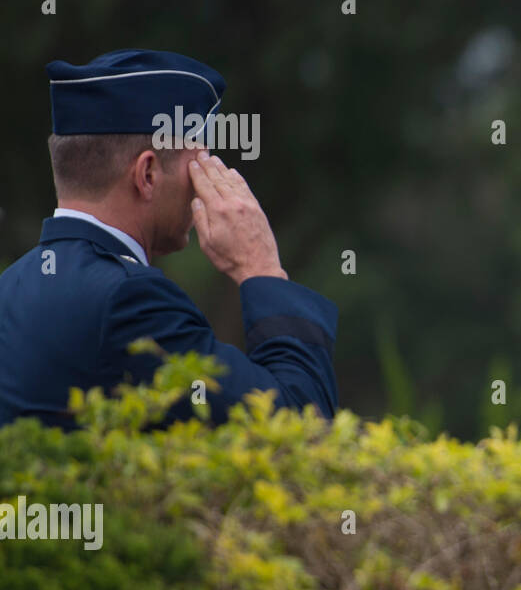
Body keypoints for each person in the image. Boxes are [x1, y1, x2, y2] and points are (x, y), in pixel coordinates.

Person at [0, 49, 339, 429]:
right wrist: (261, 267)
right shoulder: (130, 300)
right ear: (147, 174)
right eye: (201, 165)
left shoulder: (10, 286)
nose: (203, 189)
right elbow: (299, 428)